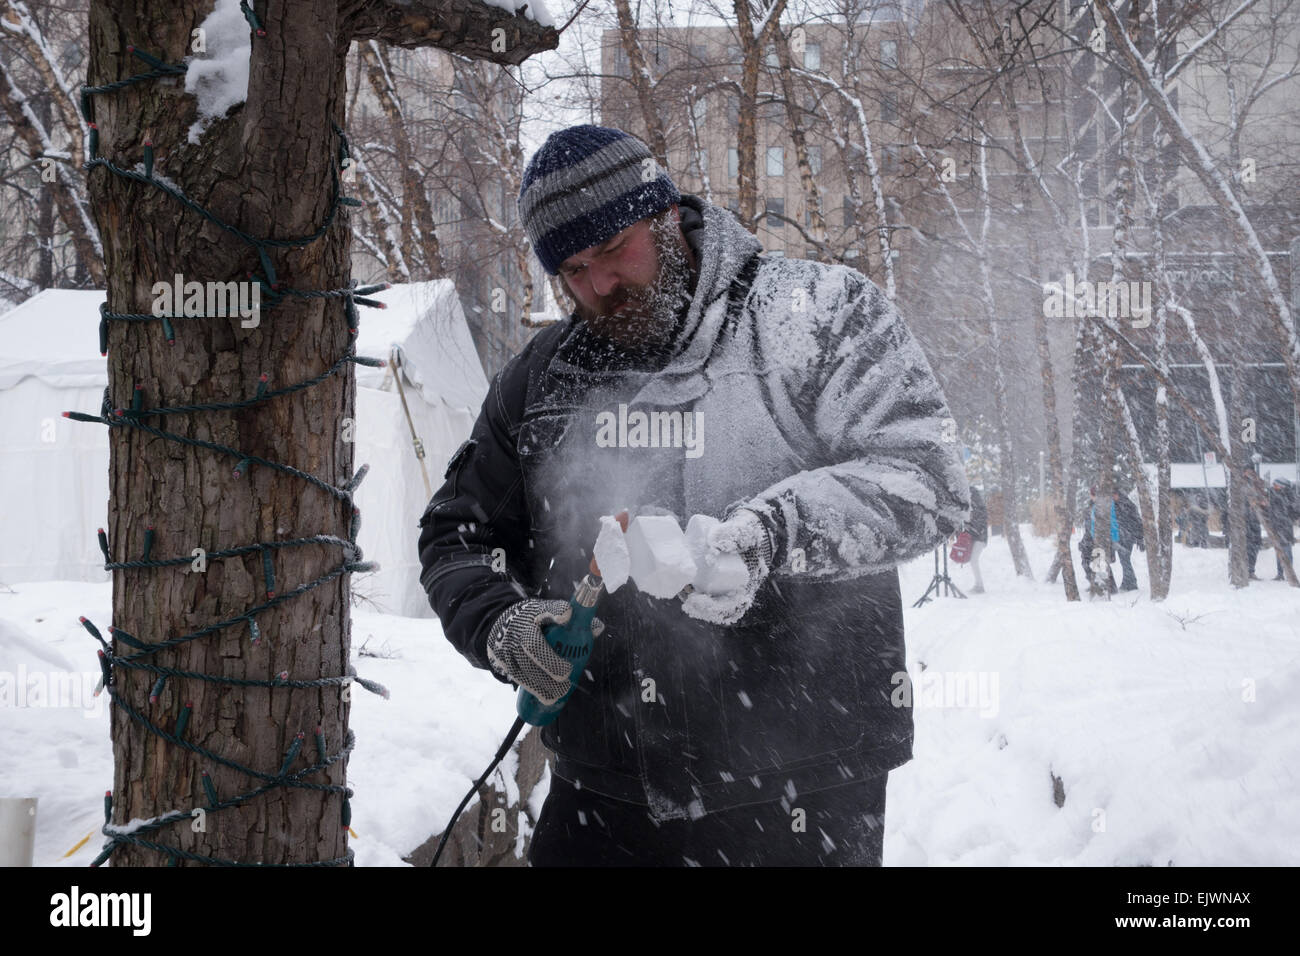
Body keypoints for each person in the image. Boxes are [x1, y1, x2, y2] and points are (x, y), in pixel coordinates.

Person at [416, 125, 970, 866]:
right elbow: (457, 534)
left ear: (665, 213)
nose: (599, 286)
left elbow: (925, 479)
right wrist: (500, 626)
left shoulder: (817, 315)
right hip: (601, 799)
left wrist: (770, 536)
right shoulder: (544, 377)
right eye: (572, 270)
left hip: (799, 794)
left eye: (613, 250)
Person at [1079, 485, 1117, 595]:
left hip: (1099, 538)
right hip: (1091, 538)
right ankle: (1097, 584)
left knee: (1099, 562)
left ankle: (1105, 586)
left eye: (1092, 495)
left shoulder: (1104, 506)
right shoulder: (1092, 506)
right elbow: (1088, 526)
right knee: (1091, 562)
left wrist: (1113, 541)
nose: (1091, 497)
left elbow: (1112, 524)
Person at [1111, 487, 1142, 592]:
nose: (1113, 497)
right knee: (1124, 560)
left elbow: (1137, 521)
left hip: (1127, 537)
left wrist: (1139, 537)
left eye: (1114, 495)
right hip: (1122, 536)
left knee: (1125, 560)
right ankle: (1128, 581)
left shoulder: (1127, 505)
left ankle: (1131, 582)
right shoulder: (1117, 505)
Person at [1266, 477, 1297, 580]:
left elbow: (1295, 510)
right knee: (1279, 550)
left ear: (1282, 485)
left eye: (1276, 485)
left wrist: (1286, 518)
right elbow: (1270, 509)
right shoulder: (1273, 494)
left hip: (1285, 527)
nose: (1274, 486)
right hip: (1276, 526)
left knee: (1286, 550)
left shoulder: (1290, 495)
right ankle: (1280, 574)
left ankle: (1289, 573)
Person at [964, 487, 988, 593]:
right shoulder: (977, 508)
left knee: (974, 561)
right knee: (973, 561)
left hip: (980, 538)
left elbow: (978, 526)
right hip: (978, 537)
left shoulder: (979, 510)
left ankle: (980, 586)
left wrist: (969, 527)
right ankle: (978, 584)